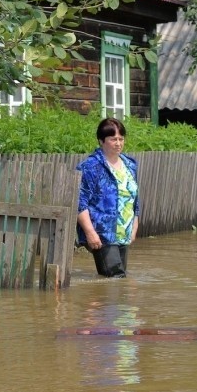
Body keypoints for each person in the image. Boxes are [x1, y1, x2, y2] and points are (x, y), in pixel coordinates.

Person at [76, 117, 139, 277]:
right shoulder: (90, 167)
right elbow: (79, 202)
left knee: (119, 278)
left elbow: (134, 199)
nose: (118, 143)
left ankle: (98, 301)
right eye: (113, 139)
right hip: (102, 231)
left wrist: (134, 226)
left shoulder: (130, 165)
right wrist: (90, 232)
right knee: (115, 277)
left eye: (121, 138)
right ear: (101, 141)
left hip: (123, 230)